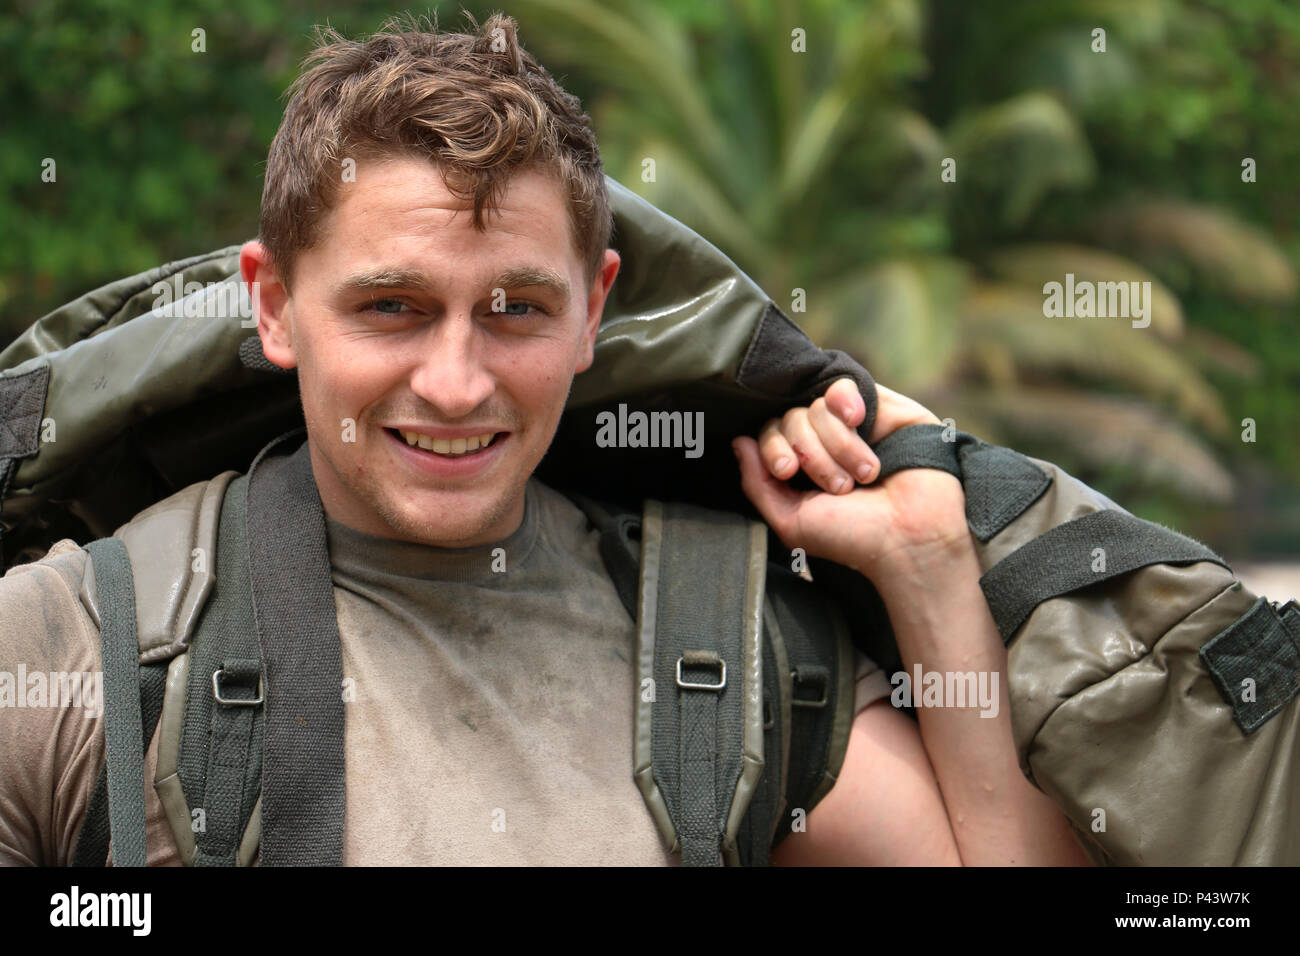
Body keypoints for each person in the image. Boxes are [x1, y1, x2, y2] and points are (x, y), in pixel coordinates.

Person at [0, 11, 1089, 866]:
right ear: (275, 305)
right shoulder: (70, 642)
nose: (457, 382)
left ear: (593, 309)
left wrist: (929, 561)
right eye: (392, 307)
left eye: (516, 307)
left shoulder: (731, 641)